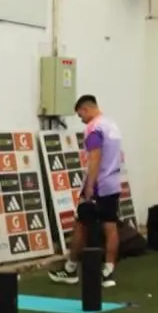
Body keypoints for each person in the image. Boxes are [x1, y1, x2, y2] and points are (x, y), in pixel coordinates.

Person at [49, 95, 121, 287]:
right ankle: (108, 273)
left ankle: (71, 269)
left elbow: (95, 158)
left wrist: (90, 186)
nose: (81, 119)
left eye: (80, 115)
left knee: (81, 225)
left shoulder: (94, 128)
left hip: (98, 185)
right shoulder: (112, 125)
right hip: (113, 183)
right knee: (111, 227)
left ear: (86, 109)